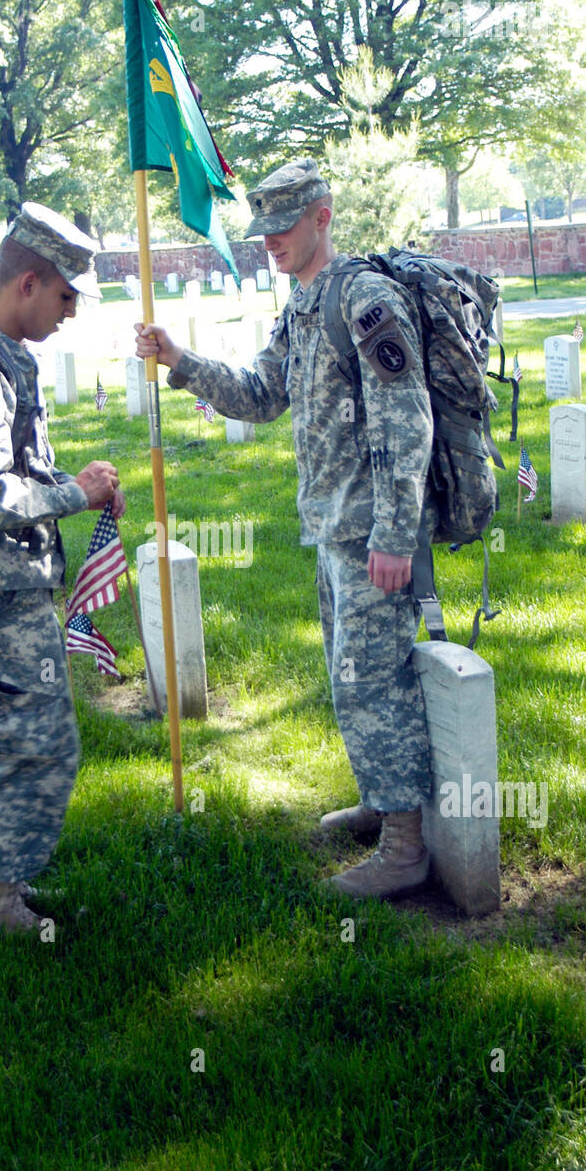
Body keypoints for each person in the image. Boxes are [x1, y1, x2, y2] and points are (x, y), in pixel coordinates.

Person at [135, 159, 437, 900]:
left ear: (322, 216)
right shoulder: (303, 305)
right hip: (332, 528)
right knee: (351, 677)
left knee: (376, 681)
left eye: (283, 226)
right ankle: (379, 799)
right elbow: (260, 393)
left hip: (371, 531)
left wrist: (396, 535)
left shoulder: (364, 300)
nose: (269, 240)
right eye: (262, 228)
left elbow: (407, 419)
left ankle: (405, 847)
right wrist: (180, 361)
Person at [0, 203, 124, 932]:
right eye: (67, 296)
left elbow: (6, 468)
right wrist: (76, 494)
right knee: (38, 748)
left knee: (24, 744)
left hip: (7, 584)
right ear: (30, 283)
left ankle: (0, 895)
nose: (72, 312)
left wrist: (72, 481)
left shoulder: (3, 355)